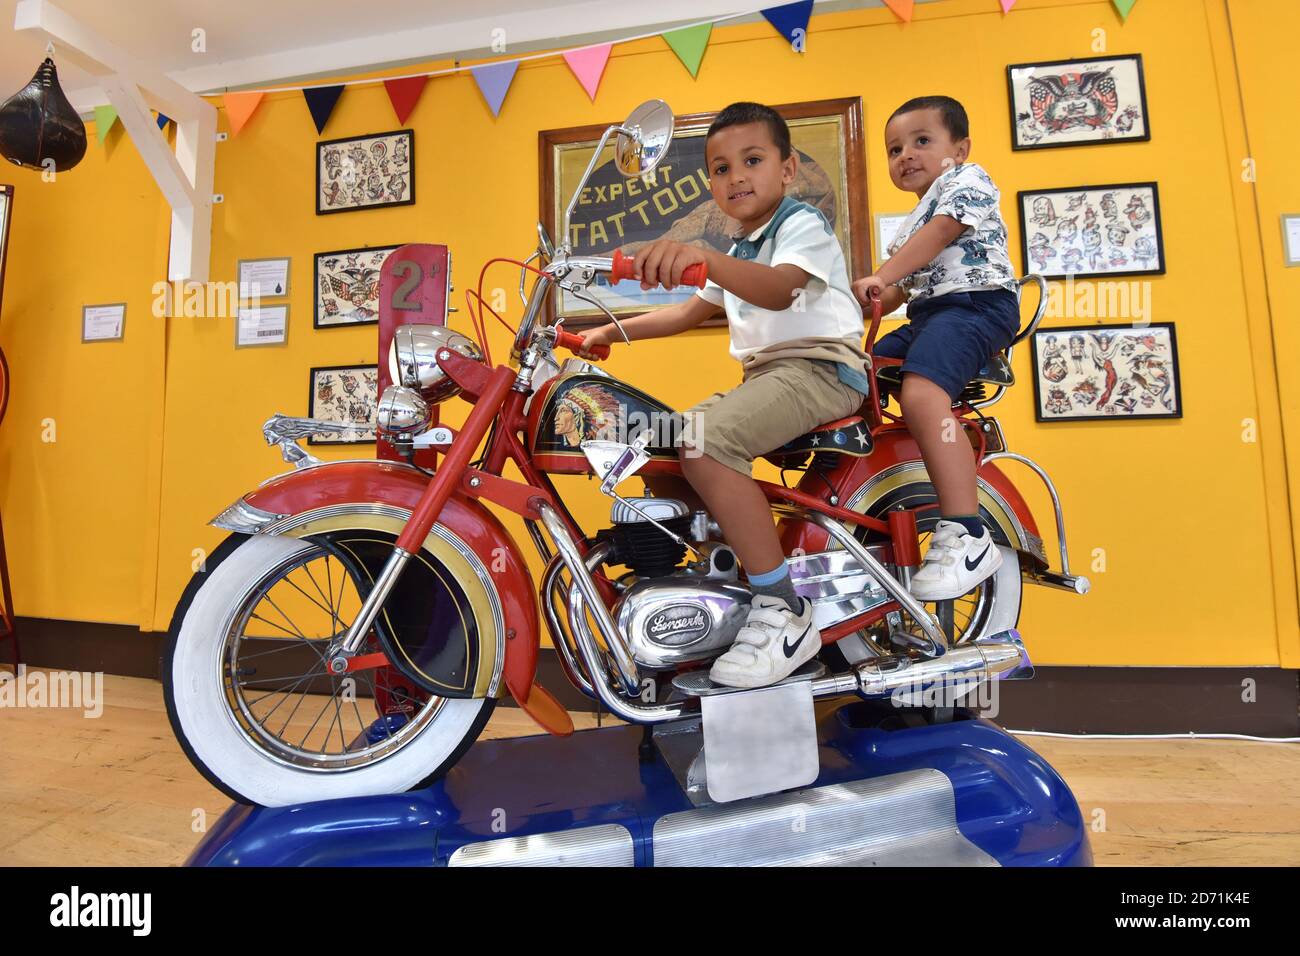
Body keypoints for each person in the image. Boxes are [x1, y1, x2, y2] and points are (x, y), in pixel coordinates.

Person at [577, 101, 870, 689]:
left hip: (821, 369)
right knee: (658, 445)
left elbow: (781, 291)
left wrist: (704, 257)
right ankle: (721, 588)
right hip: (768, 379)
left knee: (705, 445)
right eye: (719, 168)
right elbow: (685, 313)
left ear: (787, 170)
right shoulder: (738, 249)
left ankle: (782, 609)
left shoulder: (799, 225)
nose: (736, 176)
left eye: (752, 160)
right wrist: (608, 329)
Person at [851, 95, 1021, 601]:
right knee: (854, 371)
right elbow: (908, 286)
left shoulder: (968, 182)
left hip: (977, 306)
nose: (906, 154)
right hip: (932, 314)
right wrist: (856, 301)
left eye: (922, 141)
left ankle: (967, 532)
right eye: (894, 148)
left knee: (923, 393)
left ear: (960, 148)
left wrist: (883, 275)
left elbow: (944, 232)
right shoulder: (910, 225)